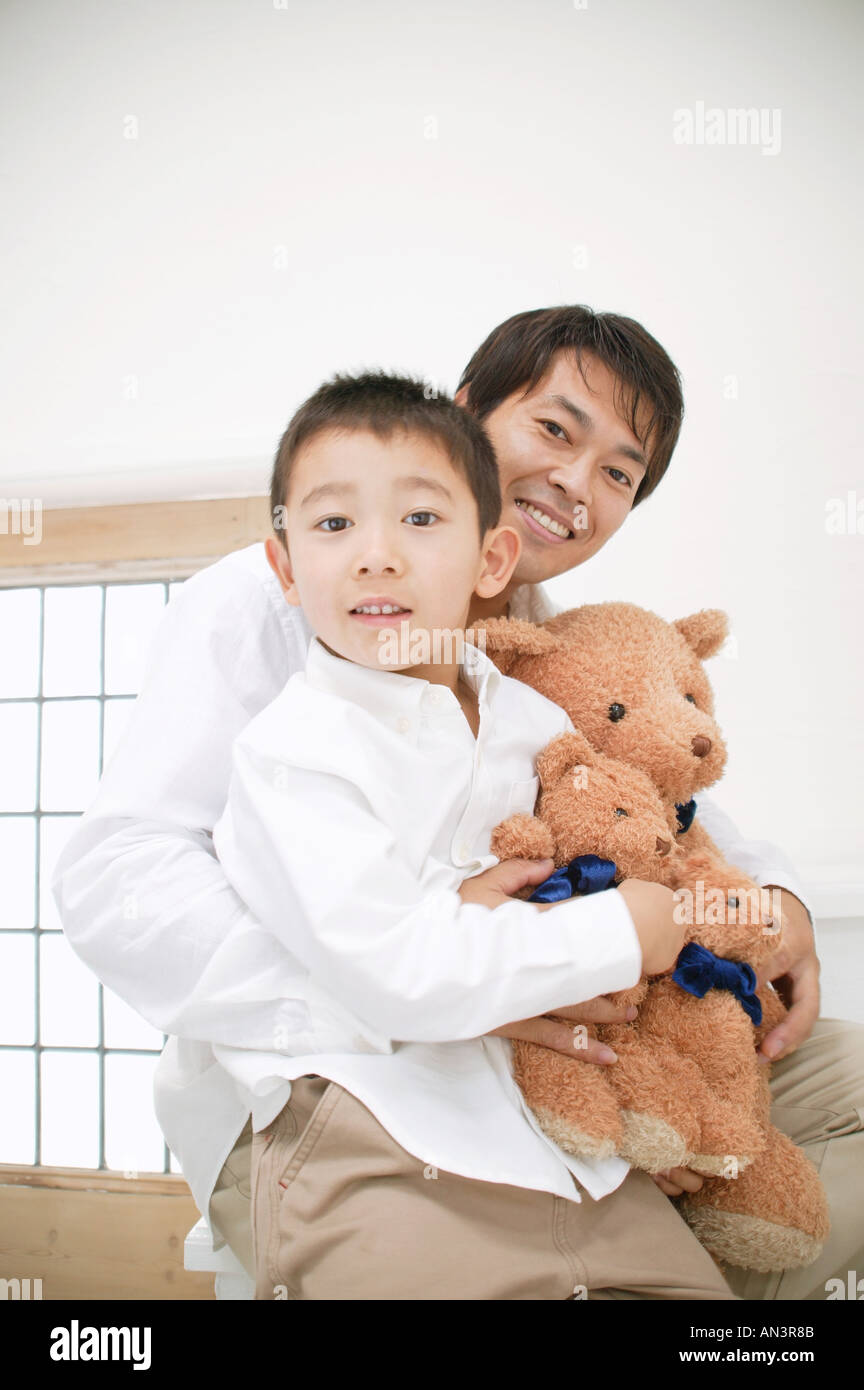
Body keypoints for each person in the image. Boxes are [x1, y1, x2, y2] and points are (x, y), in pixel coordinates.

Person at [53, 306, 864, 1300]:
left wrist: (776, 903)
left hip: (571, 1037)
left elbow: (649, 804)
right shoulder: (276, 612)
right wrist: (452, 979)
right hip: (343, 1068)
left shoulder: (551, 650)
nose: (576, 485)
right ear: (467, 408)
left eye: (619, 473)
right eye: (555, 430)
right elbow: (120, 881)